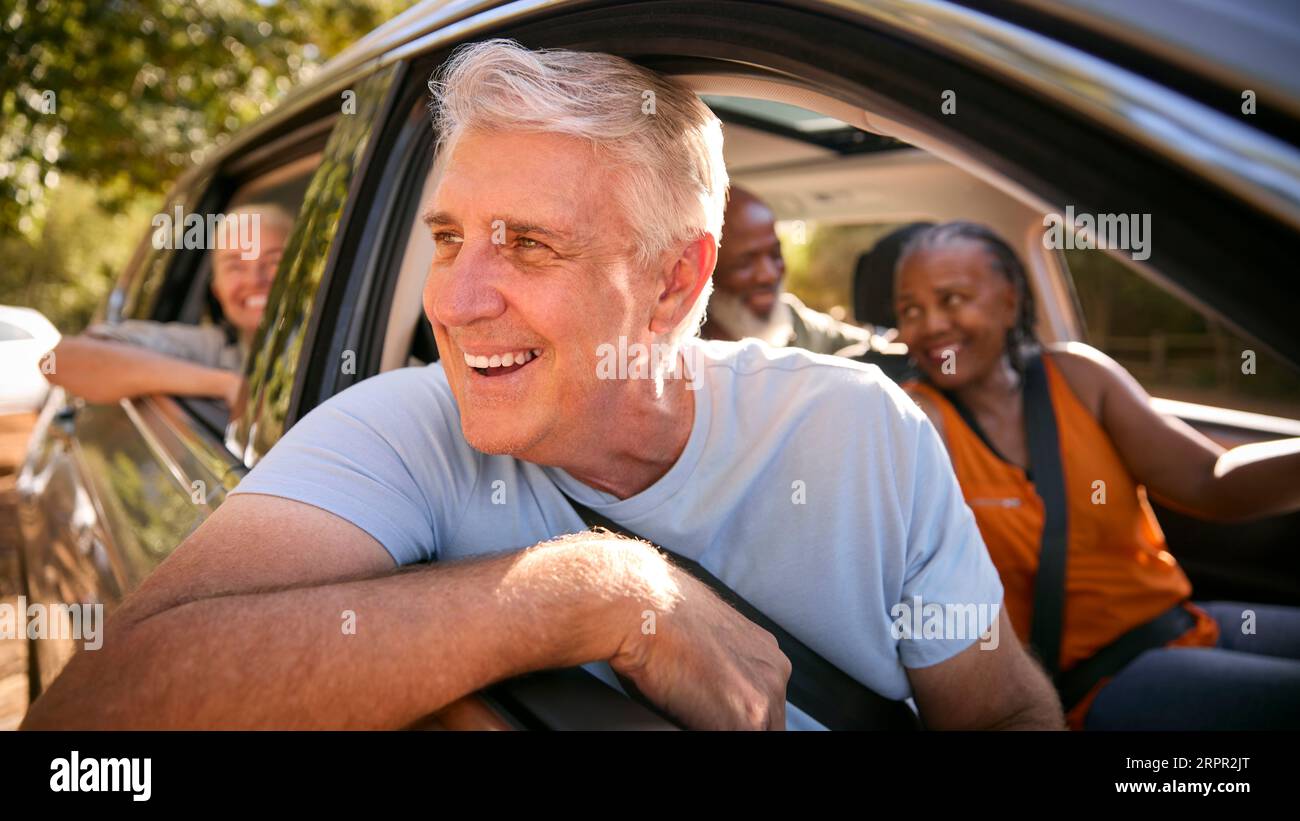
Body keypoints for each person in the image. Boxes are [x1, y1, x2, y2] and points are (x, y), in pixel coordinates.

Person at [23, 41, 1061, 731]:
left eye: (525, 244)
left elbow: (1006, 715)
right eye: (448, 237)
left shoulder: (858, 428)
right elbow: (99, 711)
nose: (456, 301)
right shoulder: (403, 430)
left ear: (673, 280)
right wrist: (600, 595)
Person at [892, 220, 1300, 730]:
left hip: (1187, 625)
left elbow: (1211, 481)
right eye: (910, 310)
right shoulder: (917, 420)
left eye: (952, 299)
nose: (930, 324)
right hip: (1095, 683)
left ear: (1010, 299)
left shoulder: (1080, 377)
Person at [43, 203, 292, 409]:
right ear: (216, 289)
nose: (255, 279)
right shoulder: (215, 349)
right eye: (235, 266)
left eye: (274, 262)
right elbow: (56, 361)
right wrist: (227, 385)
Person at [702, 186, 885, 356]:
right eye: (744, 263)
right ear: (703, 270)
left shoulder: (796, 324)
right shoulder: (683, 354)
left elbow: (874, 348)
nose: (769, 274)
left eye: (775, 255)